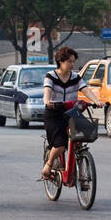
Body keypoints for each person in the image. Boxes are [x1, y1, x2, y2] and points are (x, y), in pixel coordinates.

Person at [41, 46, 102, 180]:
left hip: (71, 111)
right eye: (69, 61)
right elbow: (47, 91)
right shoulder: (51, 76)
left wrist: (96, 101)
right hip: (54, 113)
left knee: (84, 133)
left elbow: (85, 90)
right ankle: (49, 164)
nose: (72, 64)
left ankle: (79, 163)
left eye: (73, 61)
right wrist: (47, 101)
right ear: (60, 61)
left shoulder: (75, 77)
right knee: (60, 145)